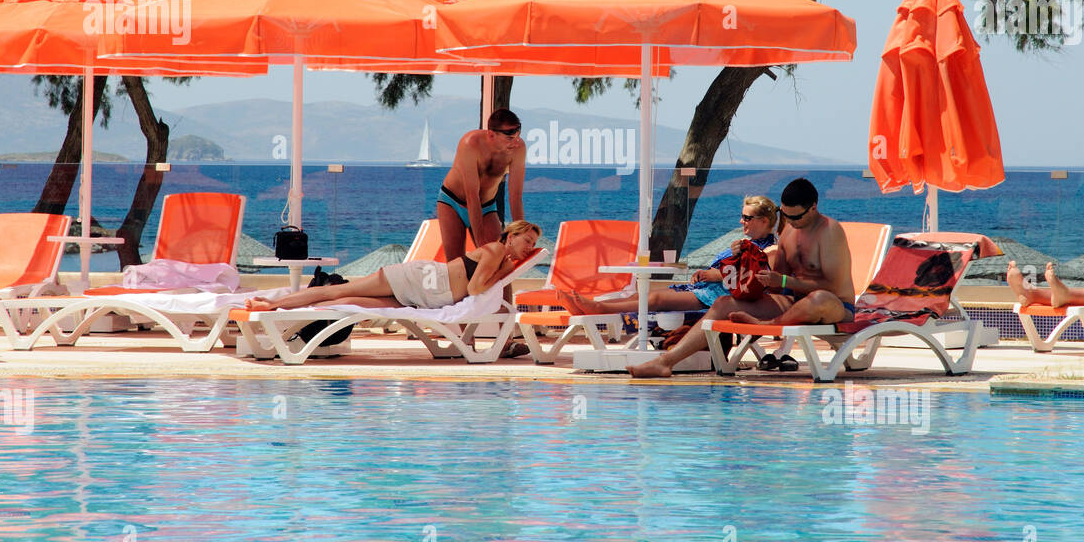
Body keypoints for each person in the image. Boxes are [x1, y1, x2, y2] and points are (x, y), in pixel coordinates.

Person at [628, 178, 855, 378]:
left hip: (834, 306)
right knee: (723, 303)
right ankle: (664, 363)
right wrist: (743, 258)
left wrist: (783, 282)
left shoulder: (830, 232)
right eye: (785, 215)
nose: (790, 221)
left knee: (818, 298)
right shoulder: (788, 232)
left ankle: (767, 325)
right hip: (793, 302)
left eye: (796, 216)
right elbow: (778, 279)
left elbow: (831, 286)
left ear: (813, 208)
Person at [246, 221, 541, 311]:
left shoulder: (501, 258)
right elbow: (477, 286)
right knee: (334, 294)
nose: (528, 247)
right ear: (511, 236)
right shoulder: (494, 251)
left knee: (349, 302)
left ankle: (293, 314)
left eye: (532, 243)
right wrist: (506, 270)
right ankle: (273, 305)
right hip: (417, 281)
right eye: (526, 240)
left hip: (422, 295)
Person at [565, 195, 781, 316]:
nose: (742, 221)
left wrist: (714, 275)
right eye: (742, 216)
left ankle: (598, 309)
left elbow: (752, 281)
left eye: (747, 217)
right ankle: (589, 308)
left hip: (718, 297)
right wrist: (706, 273)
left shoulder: (769, 250)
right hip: (706, 289)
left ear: (764, 221)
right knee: (638, 297)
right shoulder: (746, 244)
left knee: (655, 299)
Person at [437, 108, 527, 260]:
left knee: (499, 262)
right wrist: (481, 243)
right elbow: (472, 196)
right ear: (491, 134)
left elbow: (515, 197)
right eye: (510, 138)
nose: (516, 142)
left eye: (518, 136)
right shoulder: (470, 144)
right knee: (456, 266)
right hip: (452, 203)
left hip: (486, 207)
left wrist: (522, 235)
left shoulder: (518, 149)